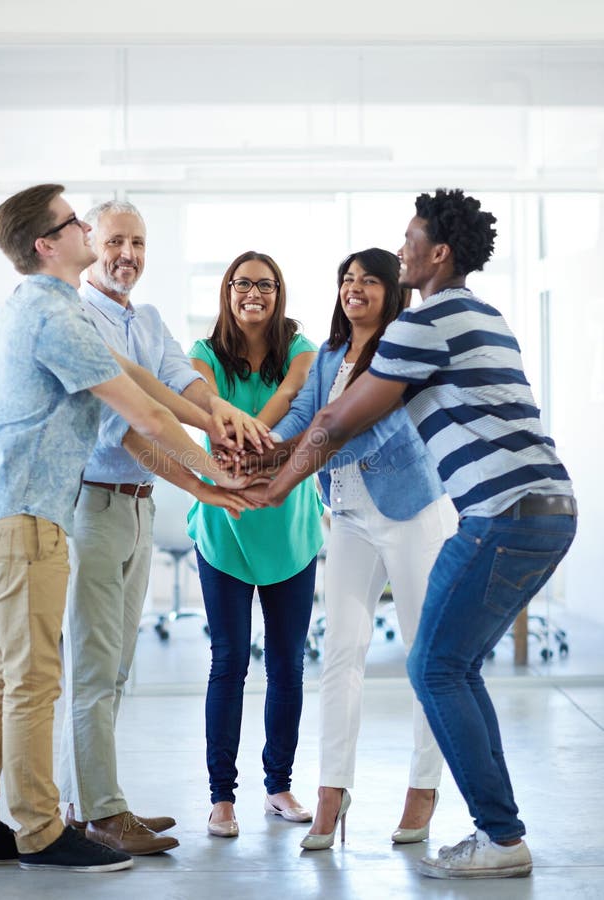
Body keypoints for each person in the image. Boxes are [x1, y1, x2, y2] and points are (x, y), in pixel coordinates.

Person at [250, 189, 577, 879]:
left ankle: (497, 836)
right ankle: (500, 832)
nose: (400, 250)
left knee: (432, 665)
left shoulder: (421, 324)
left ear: (439, 252)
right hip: (547, 508)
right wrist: (271, 457)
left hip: (500, 513)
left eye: (409, 239)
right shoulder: (485, 316)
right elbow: (319, 416)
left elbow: (338, 422)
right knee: (452, 664)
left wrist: (275, 489)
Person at [0, 184, 255, 874]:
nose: (88, 232)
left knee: (5, 677)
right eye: (76, 223)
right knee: (35, 681)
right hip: (25, 515)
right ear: (47, 244)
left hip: (12, 512)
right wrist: (217, 477)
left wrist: (216, 421)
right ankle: (42, 831)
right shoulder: (54, 315)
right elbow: (143, 416)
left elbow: (147, 381)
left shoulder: (51, 307)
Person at [57, 200, 267, 857]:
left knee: (116, 668)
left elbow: (183, 384)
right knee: (94, 668)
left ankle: (85, 804)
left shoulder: (144, 320)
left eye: (139, 243)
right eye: (115, 241)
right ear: (89, 243)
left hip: (137, 507)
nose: (128, 255)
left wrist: (225, 416)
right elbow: (134, 428)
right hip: (93, 506)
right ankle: (100, 811)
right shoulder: (78, 319)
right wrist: (210, 479)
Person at [270, 248, 458, 850]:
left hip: (411, 514)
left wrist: (293, 467)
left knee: (424, 657)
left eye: (369, 280)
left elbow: (366, 429)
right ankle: (332, 791)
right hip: (348, 516)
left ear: (391, 291)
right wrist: (265, 447)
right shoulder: (329, 355)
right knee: (339, 654)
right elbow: (307, 414)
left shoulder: (405, 351)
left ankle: (423, 786)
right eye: (347, 279)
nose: (354, 288)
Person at [187, 250, 324, 837]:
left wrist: (249, 440)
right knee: (229, 662)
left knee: (288, 664)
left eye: (265, 285)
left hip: (289, 522)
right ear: (227, 291)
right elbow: (204, 413)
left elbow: (295, 394)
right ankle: (222, 797)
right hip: (225, 522)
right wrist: (251, 447)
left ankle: (279, 786)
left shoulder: (301, 347)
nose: (253, 294)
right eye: (242, 283)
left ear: (278, 292)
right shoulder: (203, 353)